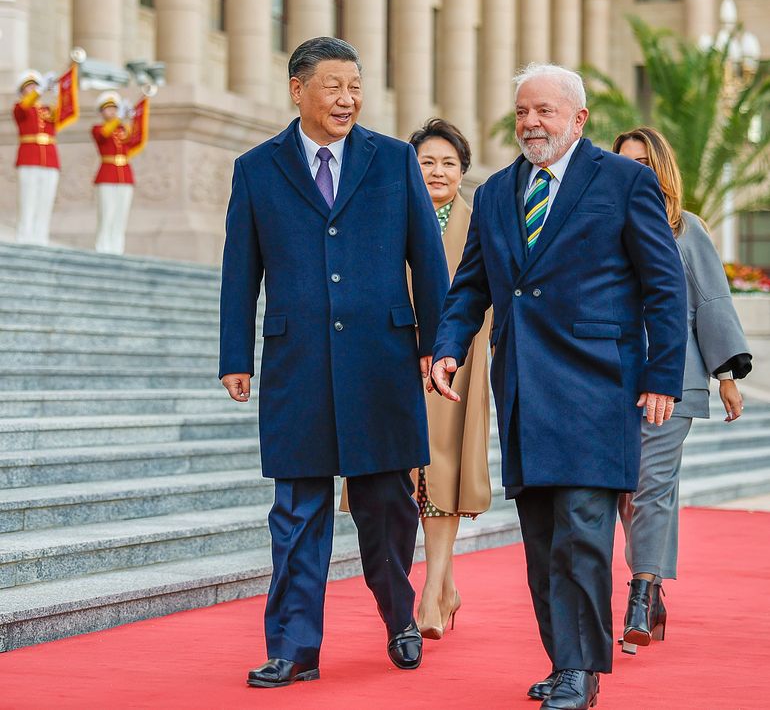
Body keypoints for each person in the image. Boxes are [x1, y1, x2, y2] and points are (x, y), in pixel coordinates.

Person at [429, 63, 687, 710]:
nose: (531, 123)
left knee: (581, 535)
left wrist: (662, 375)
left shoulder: (624, 181)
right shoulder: (495, 193)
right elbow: (471, 286)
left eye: (544, 110)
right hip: (523, 387)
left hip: (598, 387)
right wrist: (448, 347)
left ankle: (578, 669)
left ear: (579, 118)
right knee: (543, 540)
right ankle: (564, 660)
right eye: (522, 111)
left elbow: (664, 285)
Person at [219, 37, 449, 689]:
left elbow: (427, 260)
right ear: (297, 90)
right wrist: (235, 354)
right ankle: (294, 647)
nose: (347, 99)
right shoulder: (257, 169)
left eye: (355, 87)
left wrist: (438, 344)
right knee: (296, 513)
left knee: (387, 508)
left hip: (381, 362)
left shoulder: (394, 160)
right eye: (333, 86)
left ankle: (400, 618)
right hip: (297, 366)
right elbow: (240, 271)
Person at [613, 126, 751, 654]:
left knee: (650, 484)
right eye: (625, 162)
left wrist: (726, 376)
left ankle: (640, 595)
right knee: (629, 491)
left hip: (678, 379)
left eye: (644, 162)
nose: (634, 171)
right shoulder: (604, 223)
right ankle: (653, 588)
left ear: (661, 169)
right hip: (615, 378)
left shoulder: (685, 228)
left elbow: (712, 301)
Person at [408, 118, 492, 640]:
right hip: (396, 362)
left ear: (463, 172)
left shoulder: (479, 221)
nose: (438, 171)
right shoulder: (391, 215)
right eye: (427, 162)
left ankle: (431, 593)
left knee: (441, 475)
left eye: (449, 163)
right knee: (407, 478)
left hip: (455, 364)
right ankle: (449, 587)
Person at [13, 71, 61, 245]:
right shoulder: (20, 107)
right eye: (29, 87)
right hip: (29, 158)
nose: (33, 89)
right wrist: (40, 90)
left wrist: (59, 93)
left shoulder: (48, 111)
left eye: (35, 85)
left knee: (45, 201)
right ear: (22, 91)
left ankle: (41, 238)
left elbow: (65, 114)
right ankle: (24, 237)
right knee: (28, 200)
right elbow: (25, 106)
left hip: (50, 160)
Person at [92, 91, 135, 254]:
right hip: (107, 174)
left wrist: (135, 117)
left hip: (125, 175)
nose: (112, 112)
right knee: (106, 213)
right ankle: (102, 246)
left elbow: (137, 139)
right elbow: (103, 135)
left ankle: (117, 248)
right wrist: (119, 119)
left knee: (121, 215)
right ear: (101, 112)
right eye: (108, 109)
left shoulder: (124, 130)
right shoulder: (98, 128)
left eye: (115, 109)